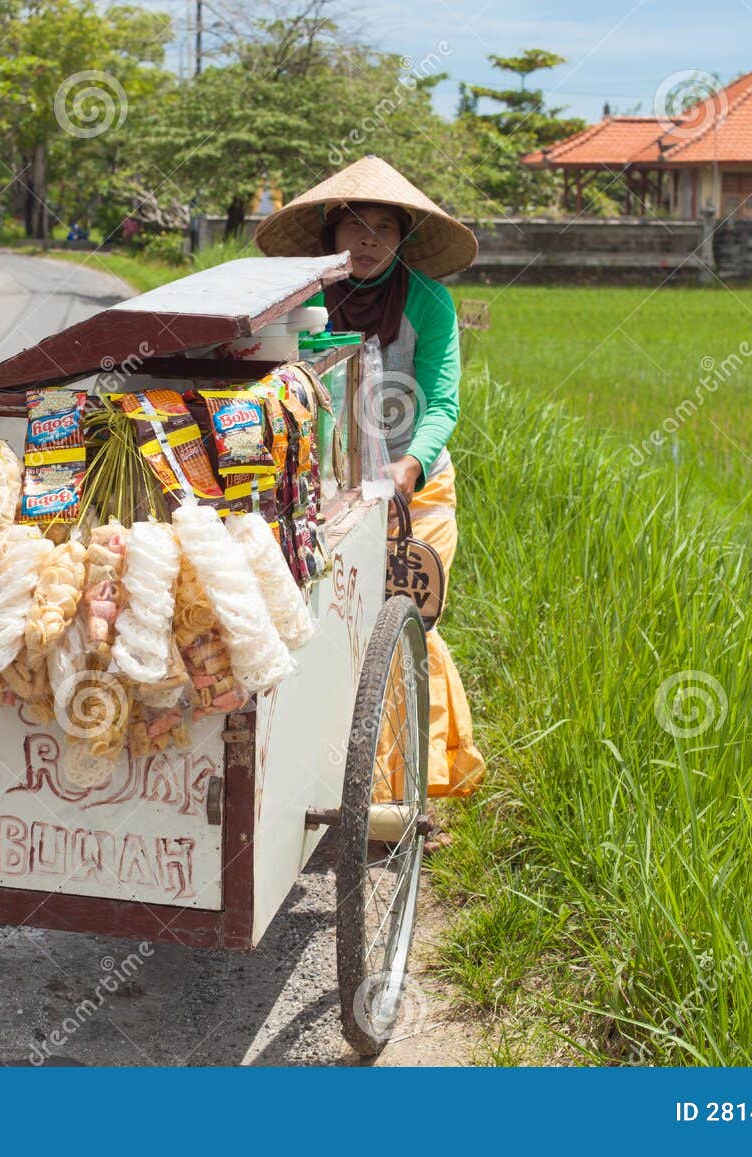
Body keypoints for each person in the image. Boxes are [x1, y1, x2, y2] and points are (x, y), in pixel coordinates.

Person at [255, 155, 485, 799]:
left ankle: (415, 786)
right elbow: (288, 386)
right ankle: (335, 780)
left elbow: (442, 402)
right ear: (329, 233)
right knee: (336, 627)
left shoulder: (430, 303)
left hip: (419, 491)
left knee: (410, 628)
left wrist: (411, 463)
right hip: (330, 493)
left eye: (384, 226)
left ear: (403, 238)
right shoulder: (303, 301)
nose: (367, 239)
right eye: (353, 225)